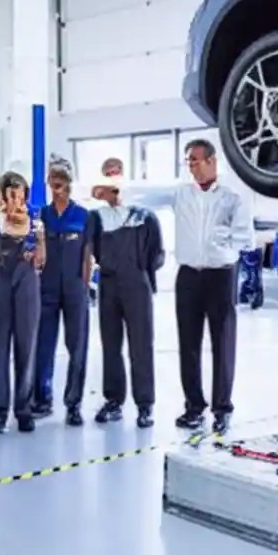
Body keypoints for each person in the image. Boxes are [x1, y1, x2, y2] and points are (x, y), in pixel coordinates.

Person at [127, 138, 253, 435]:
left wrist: (219, 241)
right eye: (188, 161)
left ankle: (222, 408)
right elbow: (148, 195)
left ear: (211, 160)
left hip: (220, 274)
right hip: (188, 276)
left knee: (222, 343)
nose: (192, 166)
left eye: (196, 160)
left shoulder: (233, 195)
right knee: (189, 344)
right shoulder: (182, 194)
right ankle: (194, 407)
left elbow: (246, 238)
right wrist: (116, 191)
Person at [88, 173, 163, 429]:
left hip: (137, 284)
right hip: (108, 284)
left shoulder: (144, 217)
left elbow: (157, 251)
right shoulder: (97, 218)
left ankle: (145, 405)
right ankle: (113, 402)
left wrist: (142, 272)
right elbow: (91, 249)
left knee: (141, 346)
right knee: (110, 346)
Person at [0, 171, 45, 434]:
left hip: (27, 283)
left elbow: (42, 258)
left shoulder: (36, 221)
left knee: (26, 347)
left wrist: (37, 250)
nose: (16, 199)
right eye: (11, 193)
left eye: (20, 193)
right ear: (2, 195)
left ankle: (24, 410)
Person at [31, 160, 93, 426]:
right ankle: (41, 400)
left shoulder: (83, 216)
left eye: (60, 185)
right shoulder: (41, 216)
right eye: (51, 185)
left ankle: (74, 403)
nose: (56, 191)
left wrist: (85, 286)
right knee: (42, 346)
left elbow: (88, 255)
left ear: (69, 185)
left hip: (75, 289)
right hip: (46, 289)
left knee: (77, 346)